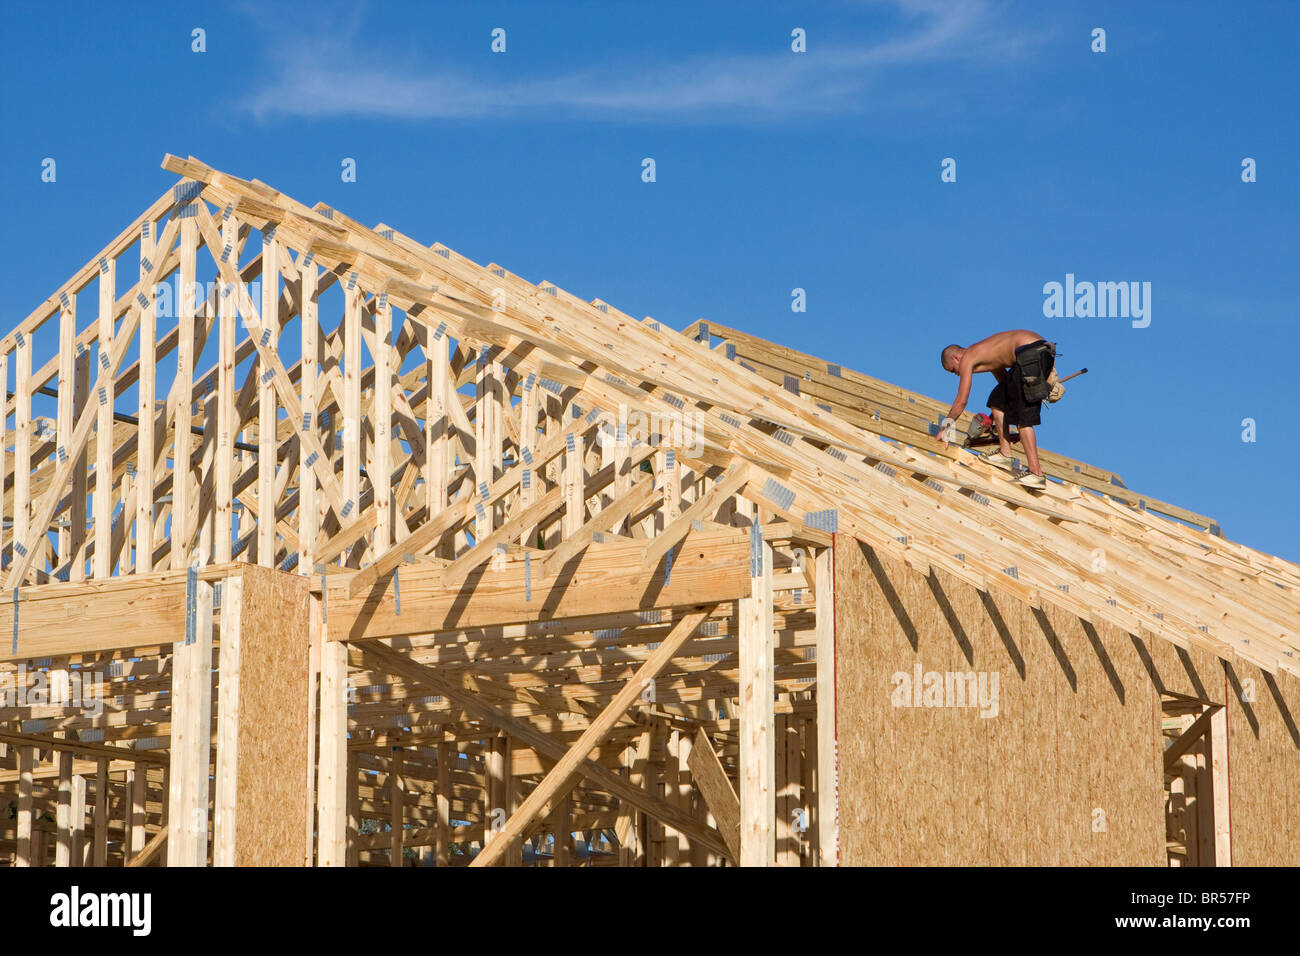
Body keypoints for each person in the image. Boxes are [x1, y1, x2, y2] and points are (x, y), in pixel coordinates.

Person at [938, 330, 1056, 489]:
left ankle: (1035, 473)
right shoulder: (989, 355)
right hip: (1041, 352)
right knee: (997, 401)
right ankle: (1005, 453)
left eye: (953, 370)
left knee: (1024, 418)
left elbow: (961, 401)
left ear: (956, 358)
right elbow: (1007, 389)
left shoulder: (968, 356)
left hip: (1029, 354)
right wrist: (996, 419)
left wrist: (944, 428)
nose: (957, 374)